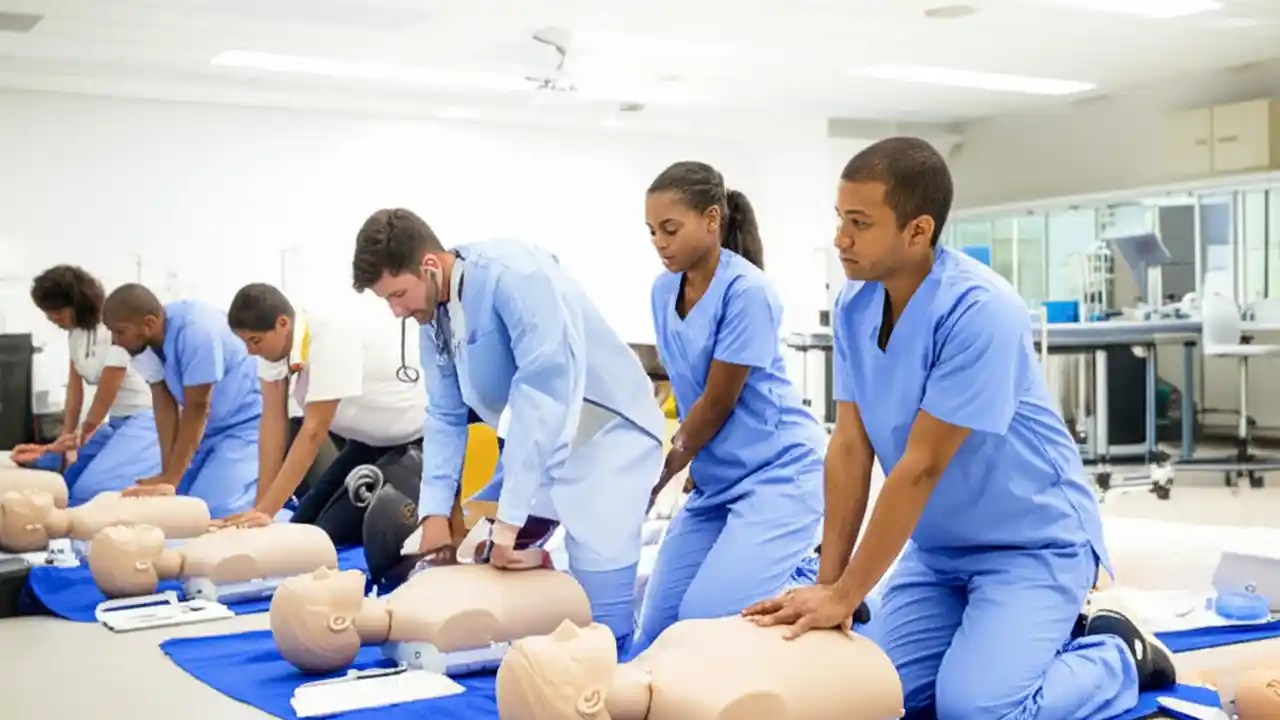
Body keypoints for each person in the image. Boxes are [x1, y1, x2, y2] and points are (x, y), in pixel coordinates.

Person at [743, 137, 1174, 719]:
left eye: (860, 223)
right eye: (841, 219)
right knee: (875, 697)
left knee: (976, 711)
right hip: (939, 548)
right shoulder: (853, 305)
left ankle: (1117, 652)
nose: (842, 238)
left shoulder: (979, 309)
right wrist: (831, 586)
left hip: (1031, 544)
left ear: (917, 231)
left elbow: (920, 467)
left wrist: (849, 595)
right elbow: (850, 446)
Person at [350, 208, 665, 651]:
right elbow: (443, 413)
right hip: (542, 443)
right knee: (493, 553)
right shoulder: (433, 311)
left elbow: (544, 397)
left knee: (600, 615)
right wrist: (435, 512)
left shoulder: (518, 277)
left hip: (607, 435)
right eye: (387, 300)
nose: (397, 310)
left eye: (398, 294)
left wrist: (512, 518)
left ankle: (613, 660)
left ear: (428, 266)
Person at [635, 161, 824, 649]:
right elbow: (687, 389)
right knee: (656, 633)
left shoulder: (747, 292)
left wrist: (661, 473)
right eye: (653, 231)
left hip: (778, 476)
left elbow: (717, 402)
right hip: (718, 481)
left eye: (670, 229)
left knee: (705, 628)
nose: (660, 241)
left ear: (712, 219)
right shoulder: (662, 292)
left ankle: (812, 577)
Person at [221, 282, 426, 545]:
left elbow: (314, 430)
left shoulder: (330, 338)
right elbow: (272, 425)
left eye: (255, 341)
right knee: (300, 527)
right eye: (245, 342)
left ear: (283, 323)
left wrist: (267, 511)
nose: (250, 351)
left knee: (326, 536)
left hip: (411, 443)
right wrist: (259, 512)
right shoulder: (273, 351)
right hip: (367, 445)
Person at [102, 284, 262, 518]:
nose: (115, 341)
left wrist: (172, 479)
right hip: (207, 430)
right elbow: (163, 404)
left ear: (148, 324)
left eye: (119, 332)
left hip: (246, 426)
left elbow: (198, 408)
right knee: (177, 502)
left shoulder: (197, 331)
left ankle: (274, 509)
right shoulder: (143, 343)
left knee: (211, 510)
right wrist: (169, 474)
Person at [12, 266, 161, 504]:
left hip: (145, 420)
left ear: (77, 304)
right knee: (67, 484)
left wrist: (85, 431)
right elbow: (75, 389)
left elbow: (108, 387)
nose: (52, 319)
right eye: (48, 313)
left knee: (89, 491)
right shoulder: (75, 337)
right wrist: (63, 438)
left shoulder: (114, 328)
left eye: (58, 312)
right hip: (117, 422)